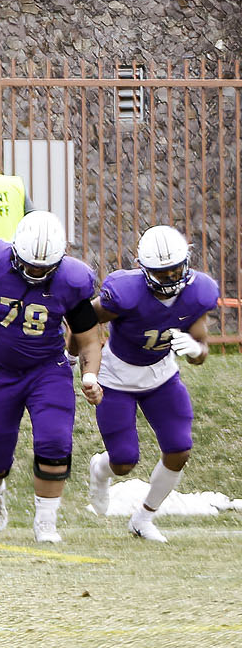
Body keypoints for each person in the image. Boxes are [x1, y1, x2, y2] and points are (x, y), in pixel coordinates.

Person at [0, 210, 102, 543]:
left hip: (46, 370)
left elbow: (89, 339)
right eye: (29, 265)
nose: (36, 272)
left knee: (55, 441)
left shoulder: (71, 280)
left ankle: (46, 522)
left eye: (43, 267)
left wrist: (91, 375)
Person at [86, 225, 216, 542]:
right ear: (143, 269)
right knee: (123, 461)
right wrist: (81, 360)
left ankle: (143, 519)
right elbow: (84, 320)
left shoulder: (198, 292)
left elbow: (201, 352)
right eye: (162, 272)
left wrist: (196, 350)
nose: (171, 278)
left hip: (161, 375)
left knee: (179, 449)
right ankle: (99, 469)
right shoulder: (125, 292)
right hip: (117, 378)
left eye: (176, 271)